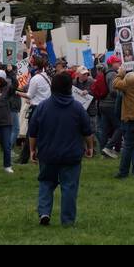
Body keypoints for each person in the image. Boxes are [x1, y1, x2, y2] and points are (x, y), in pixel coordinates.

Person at [26, 71, 92, 226]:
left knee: (46, 182)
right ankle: (68, 220)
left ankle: (44, 212)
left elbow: (33, 132)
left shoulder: (42, 107)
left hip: (47, 154)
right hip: (71, 155)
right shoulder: (77, 107)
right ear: (70, 88)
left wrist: (32, 150)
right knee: (69, 187)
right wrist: (89, 147)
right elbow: (87, 131)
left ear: (52, 88)